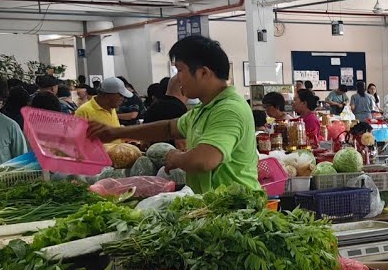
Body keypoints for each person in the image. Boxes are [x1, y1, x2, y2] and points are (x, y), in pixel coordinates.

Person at [88, 36, 260, 194]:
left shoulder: (228, 109)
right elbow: (169, 128)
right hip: (214, 206)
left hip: (236, 208)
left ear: (203, 73)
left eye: (180, 70)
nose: (177, 78)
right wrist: (116, 133)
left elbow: (204, 160)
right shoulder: (204, 109)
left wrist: (175, 157)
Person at [75, 76, 132, 141]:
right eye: (120, 95)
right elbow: (77, 141)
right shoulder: (83, 111)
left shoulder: (111, 108)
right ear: (107, 95)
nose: (123, 98)